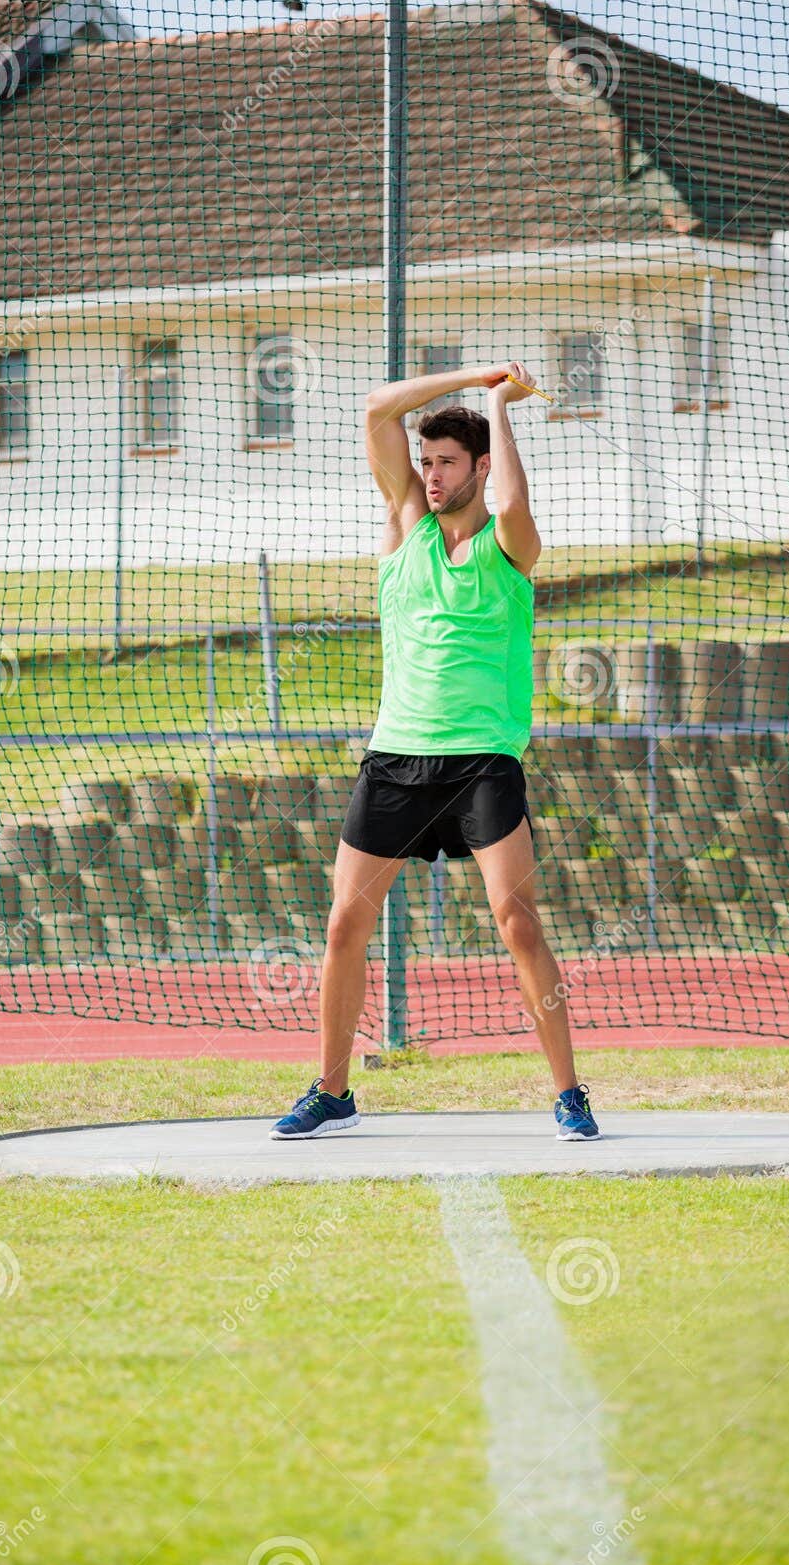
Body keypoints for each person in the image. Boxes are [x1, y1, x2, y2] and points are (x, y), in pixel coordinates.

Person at [272, 360, 600, 1143]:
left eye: (447, 461)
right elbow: (376, 406)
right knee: (343, 926)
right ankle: (332, 1092)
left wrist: (497, 405)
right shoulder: (404, 524)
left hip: (482, 761)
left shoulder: (509, 547)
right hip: (395, 758)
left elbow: (513, 504)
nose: (431, 474)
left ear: (479, 466)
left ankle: (569, 1094)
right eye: (426, 461)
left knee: (516, 921)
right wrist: (474, 374)